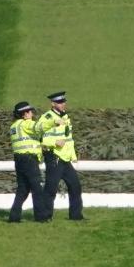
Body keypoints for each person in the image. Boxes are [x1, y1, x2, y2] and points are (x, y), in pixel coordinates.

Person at [37, 91, 83, 221]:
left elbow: (69, 139)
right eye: (59, 102)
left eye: (64, 101)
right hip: (54, 157)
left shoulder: (65, 117)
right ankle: (45, 216)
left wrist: (73, 156)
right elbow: (40, 137)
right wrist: (54, 142)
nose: (63, 104)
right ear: (53, 103)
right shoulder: (47, 117)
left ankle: (76, 215)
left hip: (65, 158)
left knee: (75, 186)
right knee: (51, 188)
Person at [8, 101, 46, 222]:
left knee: (22, 189)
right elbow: (39, 127)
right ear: (24, 114)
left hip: (19, 160)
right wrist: (54, 122)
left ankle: (14, 216)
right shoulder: (26, 124)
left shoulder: (14, 126)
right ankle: (41, 217)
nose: (32, 113)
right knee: (37, 188)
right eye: (29, 111)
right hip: (30, 159)